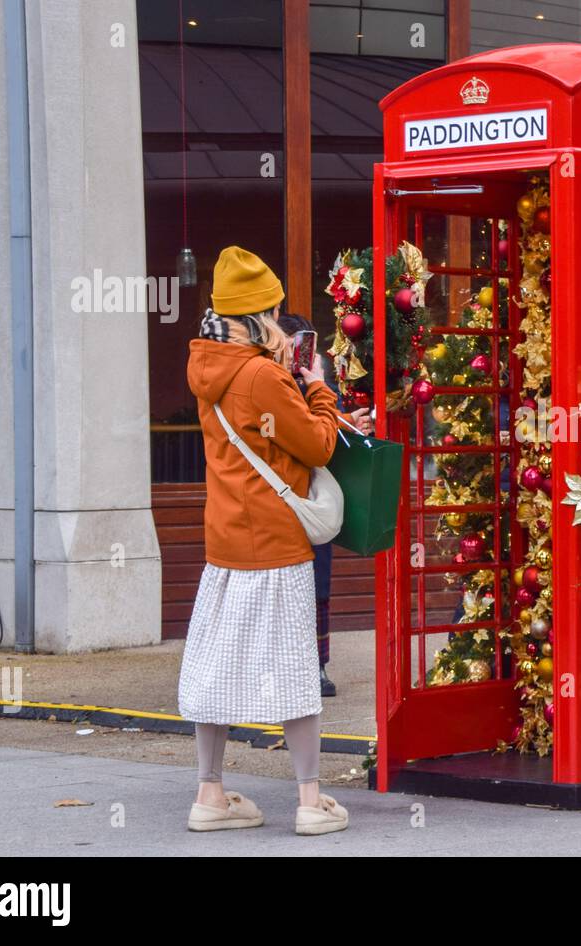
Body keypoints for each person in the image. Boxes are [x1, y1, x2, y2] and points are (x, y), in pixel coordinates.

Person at [178, 246, 358, 836]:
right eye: (276, 312)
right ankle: (310, 801)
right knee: (294, 671)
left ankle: (211, 795)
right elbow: (319, 446)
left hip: (225, 542)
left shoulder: (207, 363)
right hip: (276, 545)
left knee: (214, 670)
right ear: (261, 315)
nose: (281, 322)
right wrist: (319, 387)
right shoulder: (260, 374)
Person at [277, 312, 369, 697]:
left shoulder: (311, 381)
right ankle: (286, 666)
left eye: (306, 345)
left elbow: (322, 426)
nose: (301, 354)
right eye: (295, 345)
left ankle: (316, 664)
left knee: (318, 585)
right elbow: (305, 432)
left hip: (313, 499)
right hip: (283, 501)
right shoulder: (274, 385)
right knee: (285, 588)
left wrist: (348, 420)